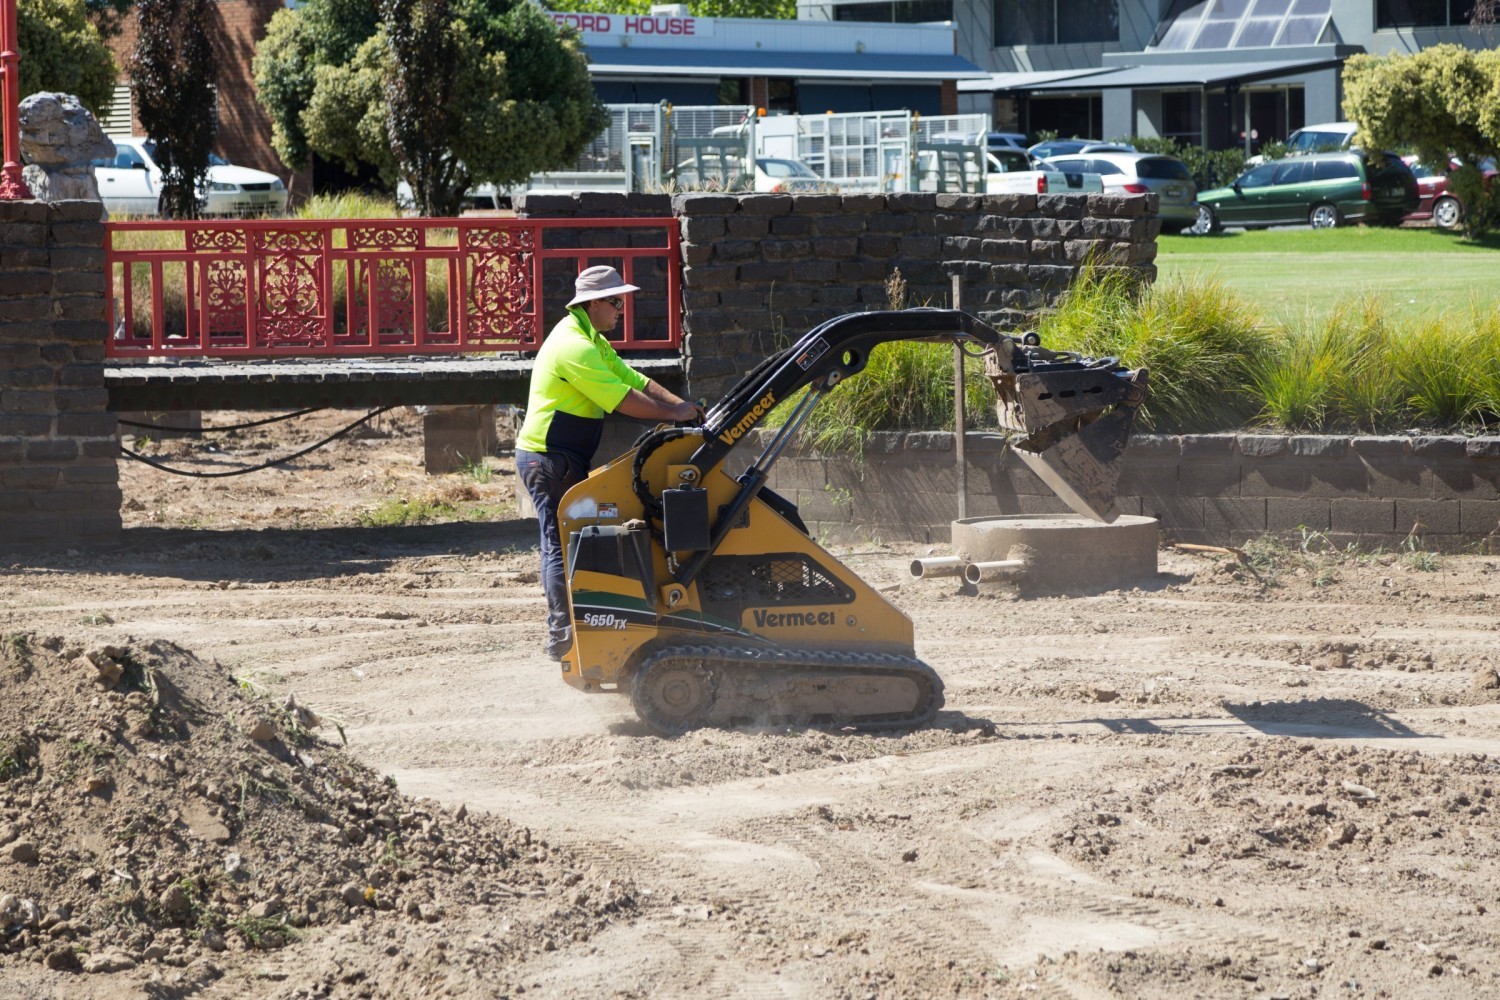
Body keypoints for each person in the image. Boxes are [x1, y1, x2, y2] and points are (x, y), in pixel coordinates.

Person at [515, 265, 702, 662]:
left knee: (570, 540)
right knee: (559, 543)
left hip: (562, 457)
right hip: (547, 459)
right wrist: (676, 414)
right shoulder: (574, 346)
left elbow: (634, 379)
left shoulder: (591, 338)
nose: (622, 309)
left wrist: (681, 407)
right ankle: (562, 633)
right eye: (616, 302)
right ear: (594, 303)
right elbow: (622, 400)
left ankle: (580, 625)